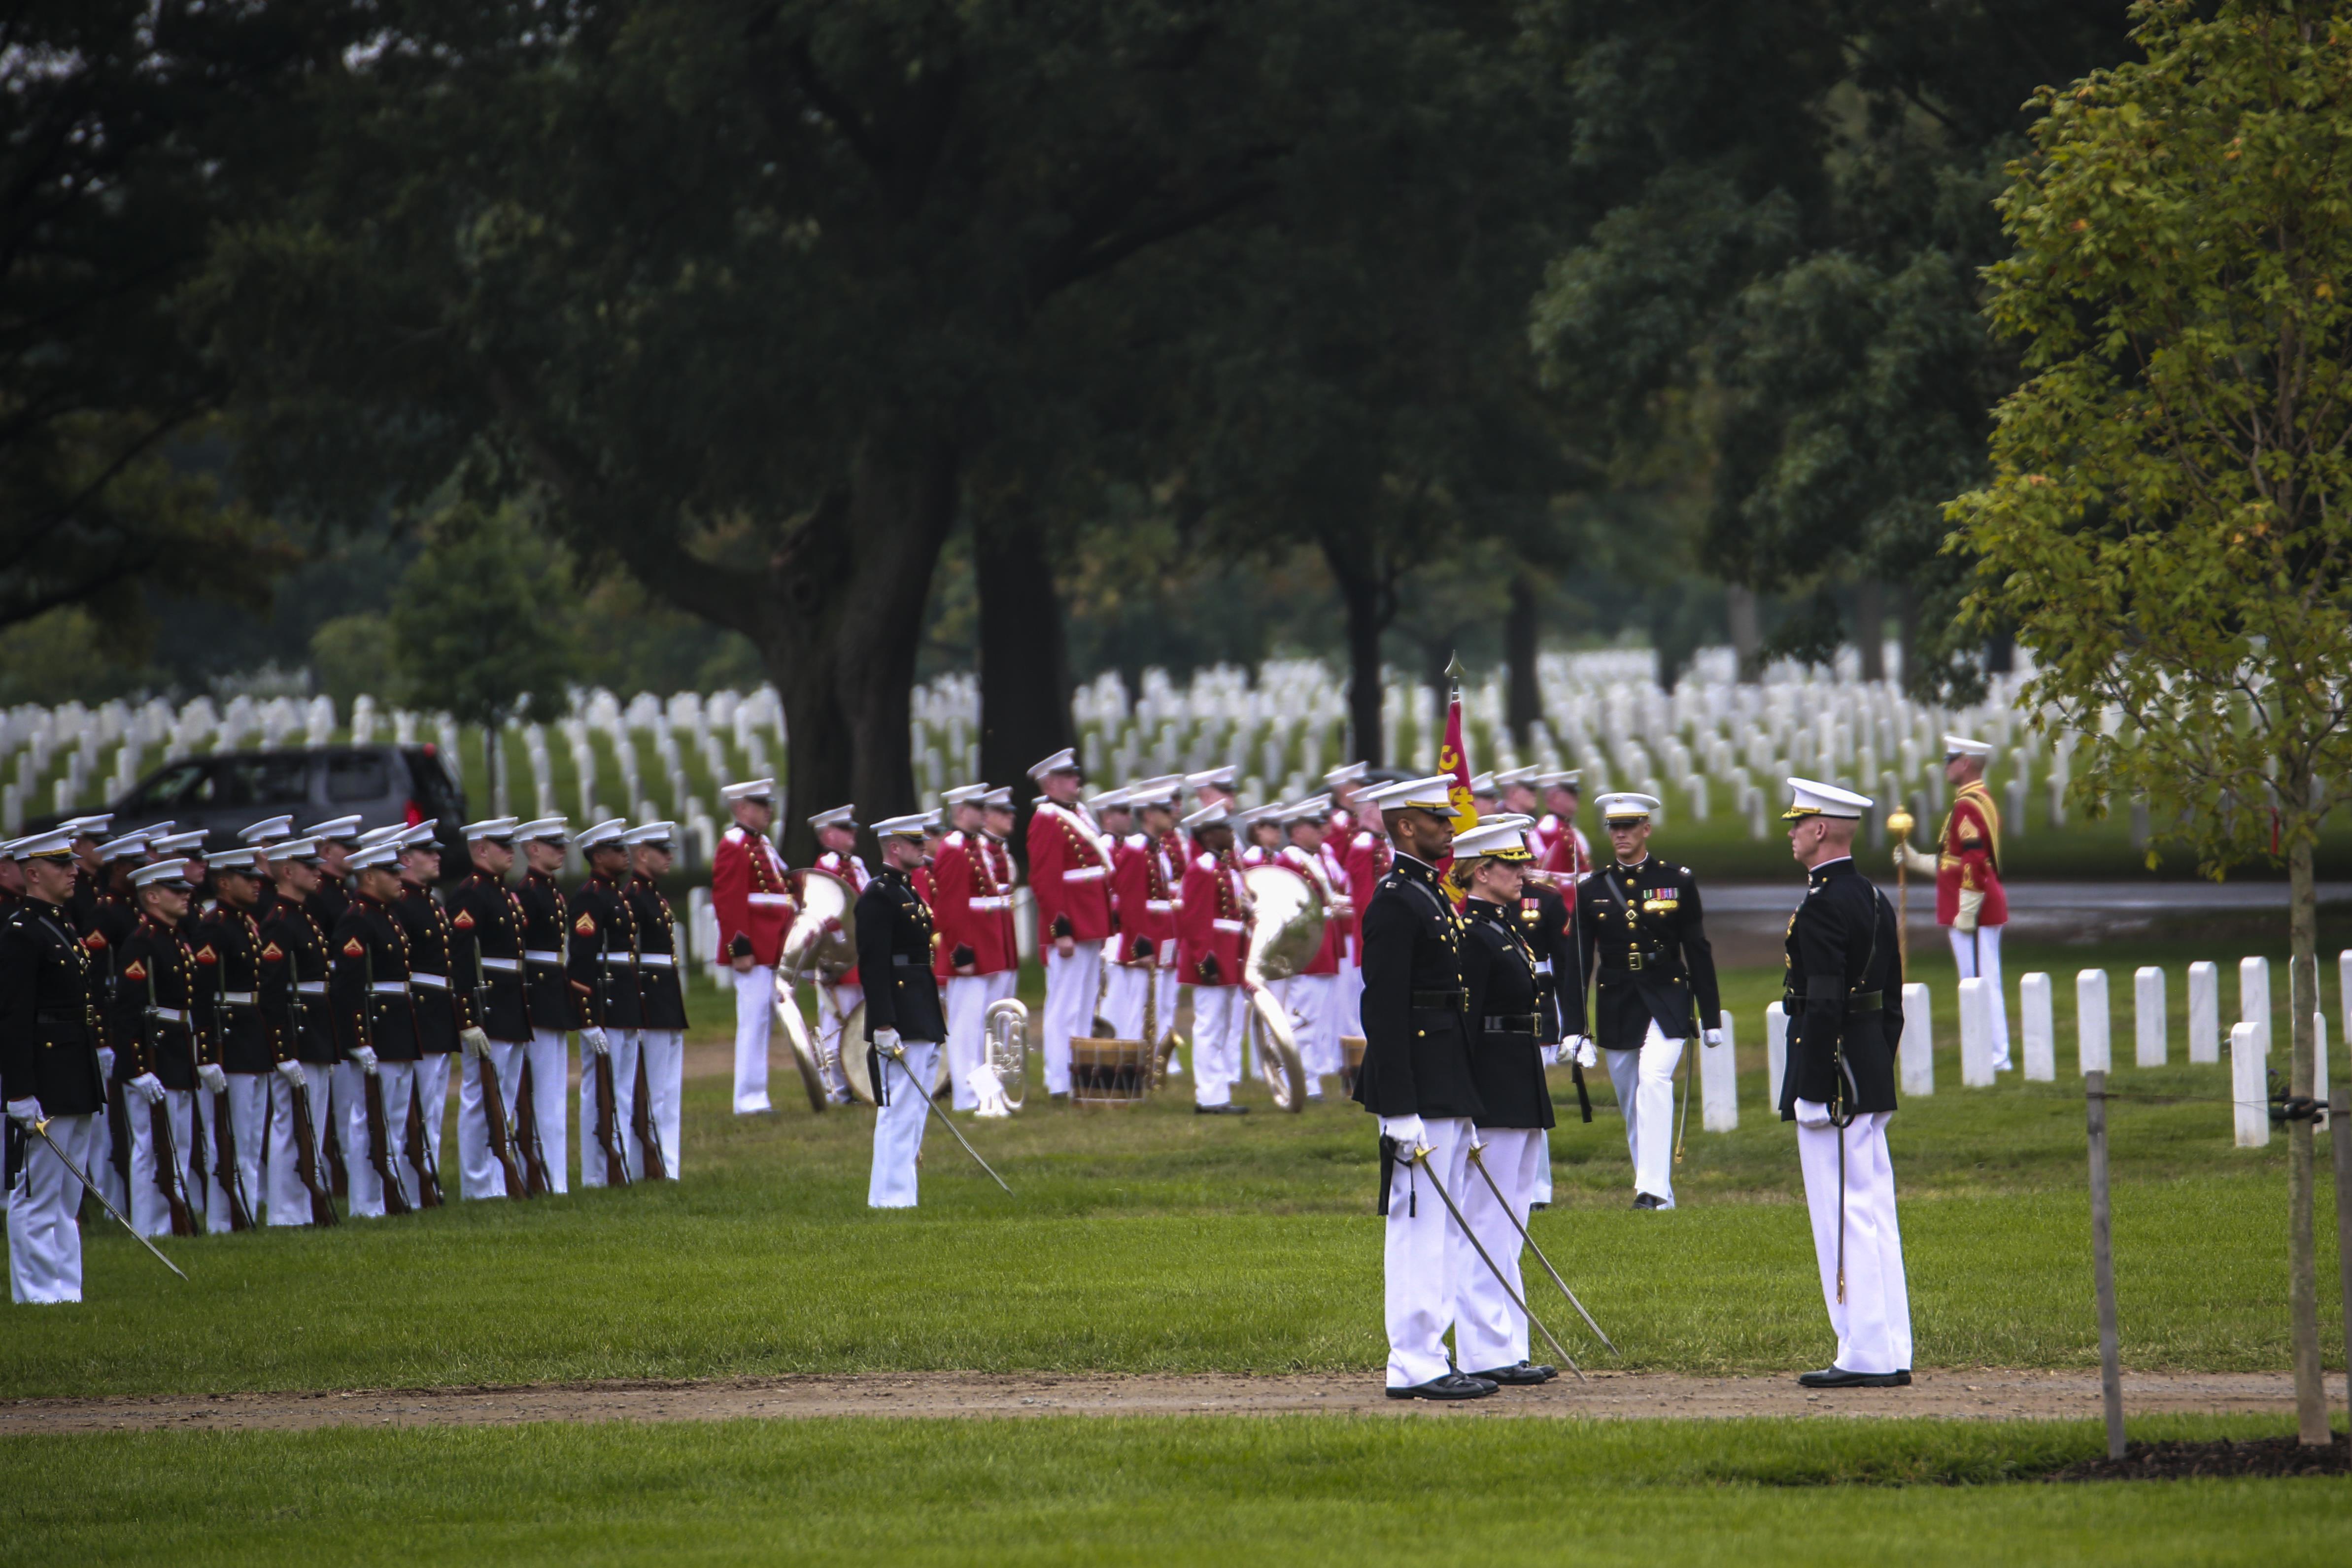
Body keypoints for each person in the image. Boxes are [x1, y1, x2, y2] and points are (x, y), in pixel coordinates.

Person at [1352, 775, 1492, 1400]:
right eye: (1438, 819)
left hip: (1446, 1081)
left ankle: (1431, 1352)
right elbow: (1383, 1012)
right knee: (1417, 1224)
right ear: (1406, 826)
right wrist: (1398, 1106)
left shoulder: (1429, 897)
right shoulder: (1394, 902)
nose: (1450, 827)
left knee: (1445, 1226)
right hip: (1417, 1088)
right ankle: (1412, 1359)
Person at [1782, 778, 1911, 1389]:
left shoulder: (1824, 904)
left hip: (1833, 1077)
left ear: (1821, 830)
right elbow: (1891, 1005)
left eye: (1797, 822)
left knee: (1844, 1214)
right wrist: (1875, 1065)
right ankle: (1890, 1344)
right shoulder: (1875, 898)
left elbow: (1824, 1002)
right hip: (1866, 1072)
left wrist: (1815, 1086)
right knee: (1874, 1209)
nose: (1790, 832)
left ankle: (1863, 1352)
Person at [1450, 818, 1569, 1386]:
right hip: (1493, 1086)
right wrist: (1468, 1103)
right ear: (1482, 871)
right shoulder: (1471, 933)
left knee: (1511, 1220)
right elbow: (1465, 1025)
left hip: (1519, 1074)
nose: (1524, 871)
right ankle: (1481, 1349)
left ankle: (1506, 1342)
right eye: (1512, 863)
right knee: (1486, 1218)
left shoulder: (1502, 927)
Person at [1573, 793, 1721, 1211]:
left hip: (1667, 993)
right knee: (1631, 1098)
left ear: (1645, 829)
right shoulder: (1592, 889)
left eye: (1628, 826)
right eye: (1613, 827)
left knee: (1654, 1078)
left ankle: (1651, 1190)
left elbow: (1698, 949)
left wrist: (1710, 1016)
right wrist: (1574, 1026)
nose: (1620, 834)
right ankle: (1657, 1192)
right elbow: (1579, 962)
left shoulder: (1678, 881)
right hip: (1617, 997)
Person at [3, 828, 108, 1302]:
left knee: (68, 1196)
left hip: (73, 1075)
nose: (74, 871)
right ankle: (38, 1293)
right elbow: (14, 1017)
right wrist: (19, 1092)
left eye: (73, 862)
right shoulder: (21, 934)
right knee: (37, 1195)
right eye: (62, 864)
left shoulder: (60, 926)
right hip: (45, 1079)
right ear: (33, 873)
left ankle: (66, 1292)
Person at [1895, 735, 2010, 1072]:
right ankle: (1992, 1054)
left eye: (1950, 760)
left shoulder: (1967, 805)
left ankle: (1995, 1056)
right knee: (1978, 980)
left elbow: (1975, 860)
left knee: (1980, 982)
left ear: (1964, 764)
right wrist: (1916, 861)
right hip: (1972, 904)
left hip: (1974, 909)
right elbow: (1954, 861)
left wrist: (1968, 908)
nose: (1946, 766)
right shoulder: (1976, 800)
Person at [857, 814, 948, 1208]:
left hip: (920, 1008)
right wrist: (882, 1023)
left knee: (914, 1114)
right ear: (894, 847)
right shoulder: (878, 895)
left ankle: (901, 1195)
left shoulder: (908, 892)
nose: (923, 846)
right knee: (898, 1112)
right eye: (914, 841)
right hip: (900, 1012)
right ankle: (890, 1199)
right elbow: (873, 963)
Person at [330, 841, 422, 1218]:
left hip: (398, 1024)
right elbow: (348, 987)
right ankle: (365, 1203)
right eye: (391, 872)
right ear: (368, 876)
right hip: (378, 1027)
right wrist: (359, 1039)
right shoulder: (357, 920)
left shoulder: (386, 915)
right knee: (367, 1119)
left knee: (395, 1119)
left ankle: (389, 1194)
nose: (400, 877)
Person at [445, 818, 531, 1200]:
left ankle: (498, 1176)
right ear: (481, 849)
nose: (510, 851)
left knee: (505, 1096)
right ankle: (477, 1182)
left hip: (511, 1001)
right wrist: (467, 1018)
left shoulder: (502, 892)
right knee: (481, 1096)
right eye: (501, 845)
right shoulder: (470, 895)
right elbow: (461, 961)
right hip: (489, 1005)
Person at [257, 836, 338, 1225]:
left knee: (312, 1122)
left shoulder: (303, 916)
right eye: (309, 867)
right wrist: (282, 1051)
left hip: (316, 1031)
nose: (317, 872)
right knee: (290, 1123)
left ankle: (304, 1203)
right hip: (297, 1033)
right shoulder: (279, 922)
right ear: (287, 872)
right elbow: (271, 994)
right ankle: (285, 1210)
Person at [192, 843, 272, 1232]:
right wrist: (206, 1055)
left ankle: (245, 1210)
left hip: (249, 1037)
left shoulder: (243, 923)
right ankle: (223, 1218)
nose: (257, 883)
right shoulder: (215, 928)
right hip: (229, 1040)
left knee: (251, 1133)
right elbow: (202, 995)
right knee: (227, 1134)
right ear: (224, 882)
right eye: (247, 878)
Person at [1026, 749, 1114, 1101]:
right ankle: (1058, 1080)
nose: (1077, 781)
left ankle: (1080, 1073)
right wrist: (1059, 930)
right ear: (1050, 783)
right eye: (1068, 776)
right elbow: (1045, 881)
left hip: (1091, 919)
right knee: (1063, 1006)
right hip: (1071, 924)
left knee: (1084, 1003)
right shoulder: (1046, 819)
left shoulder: (1077, 813)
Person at [932, 784, 1018, 1111]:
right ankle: (968, 1099)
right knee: (966, 1029)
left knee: (984, 1026)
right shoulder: (953, 848)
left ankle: (985, 1092)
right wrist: (960, 952)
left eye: (985, 807)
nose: (984, 813)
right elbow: (949, 909)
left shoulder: (974, 846)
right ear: (959, 811)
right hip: (969, 951)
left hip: (987, 947)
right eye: (976, 807)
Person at [711, 780, 793, 1115]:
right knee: (753, 1020)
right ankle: (748, 1099)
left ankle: (758, 1094)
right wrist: (739, 947)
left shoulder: (762, 844)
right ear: (742, 808)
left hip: (770, 943)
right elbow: (728, 900)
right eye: (761, 805)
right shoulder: (734, 844)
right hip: (753, 947)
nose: (768, 811)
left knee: (764, 1021)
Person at [389, 824, 458, 1200]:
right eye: (427, 852)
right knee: (413, 1106)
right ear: (405, 859)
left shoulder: (429, 902)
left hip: (438, 1012)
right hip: (420, 1012)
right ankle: (412, 1186)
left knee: (431, 1104)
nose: (437, 857)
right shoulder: (403, 905)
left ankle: (426, 1183)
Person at [570, 819, 640, 1189]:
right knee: (599, 1089)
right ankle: (597, 1173)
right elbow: (580, 962)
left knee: (623, 1089)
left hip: (624, 1000)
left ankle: (622, 1162)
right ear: (598, 856)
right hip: (605, 1003)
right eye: (616, 849)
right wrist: (587, 1018)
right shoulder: (590, 897)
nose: (624, 853)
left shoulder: (614, 895)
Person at [512, 818, 577, 1191]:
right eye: (553, 845)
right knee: (538, 1091)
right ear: (533, 849)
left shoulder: (549, 891)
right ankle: (536, 1170)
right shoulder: (528, 893)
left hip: (552, 992)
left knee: (553, 1091)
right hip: (537, 993)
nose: (562, 850)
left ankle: (555, 1174)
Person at [1176, 803, 1250, 1116]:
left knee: (1221, 1026)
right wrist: (1204, 958)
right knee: (1209, 1027)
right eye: (1224, 829)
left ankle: (1219, 1091)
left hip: (1228, 953)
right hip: (1212, 957)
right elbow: (1195, 920)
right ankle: (1209, 1096)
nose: (1232, 834)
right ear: (1208, 835)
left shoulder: (1222, 867)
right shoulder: (1202, 868)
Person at [625, 822, 686, 1179]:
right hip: (651, 997)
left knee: (668, 1090)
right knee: (652, 1090)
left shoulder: (653, 896)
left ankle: (667, 1163)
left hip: (666, 996)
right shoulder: (634, 898)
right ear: (642, 854)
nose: (669, 856)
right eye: (662, 851)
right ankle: (650, 1164)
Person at [1105, 780, 1181, 1059]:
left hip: (1163, 935)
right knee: (1137, 1007)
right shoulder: (1136, 849)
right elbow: (1131, 903)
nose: (1171, 814)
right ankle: (1130, 1064)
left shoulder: (1157, 849)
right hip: (1147, 938)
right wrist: (1140, 946)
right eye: (1164, 810)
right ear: (1148, 815)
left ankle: (1151, 1064)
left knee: (1158, 1003)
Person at [1275, 797, 1344, 1100]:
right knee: (1302, 1016)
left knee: (1317, 1017)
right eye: (1315, 827)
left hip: (1323, 942)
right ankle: (1296, 1079)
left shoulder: (1313, 859)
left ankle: (1311, 1077)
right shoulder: (1290, 861)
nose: (1322, 832)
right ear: (1297, 830)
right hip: (1306, 945)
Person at [806, 805, 868, 1106]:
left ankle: (854, 1084)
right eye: (845, 828)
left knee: (857, 1022)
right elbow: (825, 914)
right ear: (828, 835)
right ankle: (834, 1090)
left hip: (859, 954)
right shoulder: (826, 865)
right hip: (838, 956)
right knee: (834, 1023)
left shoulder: (855, 864)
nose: (852, 833)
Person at [1536, 772, 1590, 880]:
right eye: (1571, 793)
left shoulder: (1567, 827)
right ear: (1555, 797)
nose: (1577, 797)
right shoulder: (1548, 828)